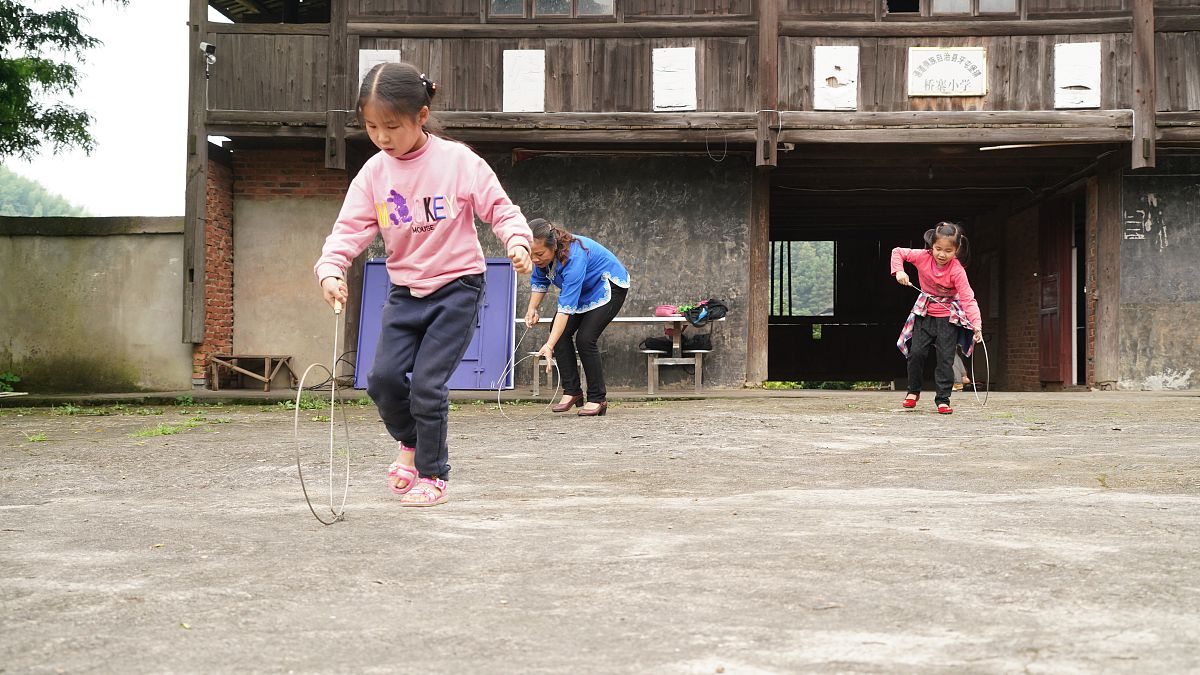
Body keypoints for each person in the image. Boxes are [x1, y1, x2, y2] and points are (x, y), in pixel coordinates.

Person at [315, 62, 533, 507]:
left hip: (458, 287)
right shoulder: (374, 173)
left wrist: (517, 241)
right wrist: (331, 269)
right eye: (371, 126)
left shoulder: (458, 161)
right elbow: (349, 229)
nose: (382, 137)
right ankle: (411, 445)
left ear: (421, 115)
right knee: (382, 380)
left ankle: (434, 475)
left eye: (392, 126)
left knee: (427, 385)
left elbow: (501, 209)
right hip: (404, 291)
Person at [524, 218, 629, 417]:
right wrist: (532, 308)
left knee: (585, 338)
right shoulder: (542, 259)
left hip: (607, 285)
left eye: (539, 254)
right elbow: (538, 280)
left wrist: (549, 345)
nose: (535, 259)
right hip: (581, 290)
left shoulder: (574, 256)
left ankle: (598, 398)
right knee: (560, 334)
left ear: (553, 245)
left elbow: (565, 309)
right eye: (531, 255)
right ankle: (572, 391)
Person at [891, 221, 983, 414]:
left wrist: (977, 326)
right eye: (938, 248)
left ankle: (943, 399)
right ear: (931, 246)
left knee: (945, 359)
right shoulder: (922, 257)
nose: (942, 254)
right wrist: (899, 270)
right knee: (916, 353)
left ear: (956, 250)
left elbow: (968, 298)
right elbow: (897, 251)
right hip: (924, 314)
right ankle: (913, 391)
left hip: (948, 318)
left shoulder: (957, 271)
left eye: (948, 250)